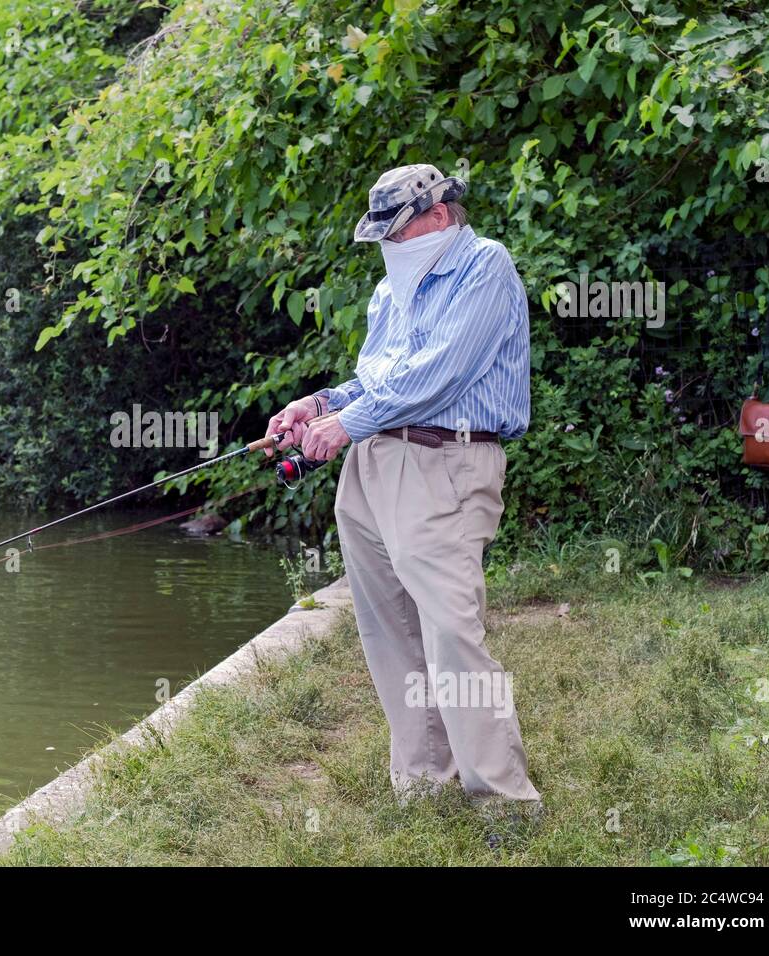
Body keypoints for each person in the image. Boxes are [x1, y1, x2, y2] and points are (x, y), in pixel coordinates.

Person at [265, 163, 541, 813]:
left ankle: (502, 796)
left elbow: (440, 376)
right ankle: (422, 782)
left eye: (397, 231)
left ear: (439, 217)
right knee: (389, 630)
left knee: (451, 630)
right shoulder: (394, 289)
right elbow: (381, 378)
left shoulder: (485, 267)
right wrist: (320, 403)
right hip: (372, 469)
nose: (389, 245)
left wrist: (346, 423)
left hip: (446, 464)